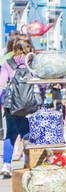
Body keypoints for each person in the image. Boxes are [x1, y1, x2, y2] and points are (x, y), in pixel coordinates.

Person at [0, 35, 36, 178]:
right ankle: (28, 163)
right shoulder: (33, 63)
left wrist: (2, 103)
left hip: (12, 105)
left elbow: (1, 84)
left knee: (10, 135)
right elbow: (43, 83)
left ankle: (6, 165)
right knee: (28, 134)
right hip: (31, 106)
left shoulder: (8, 63)